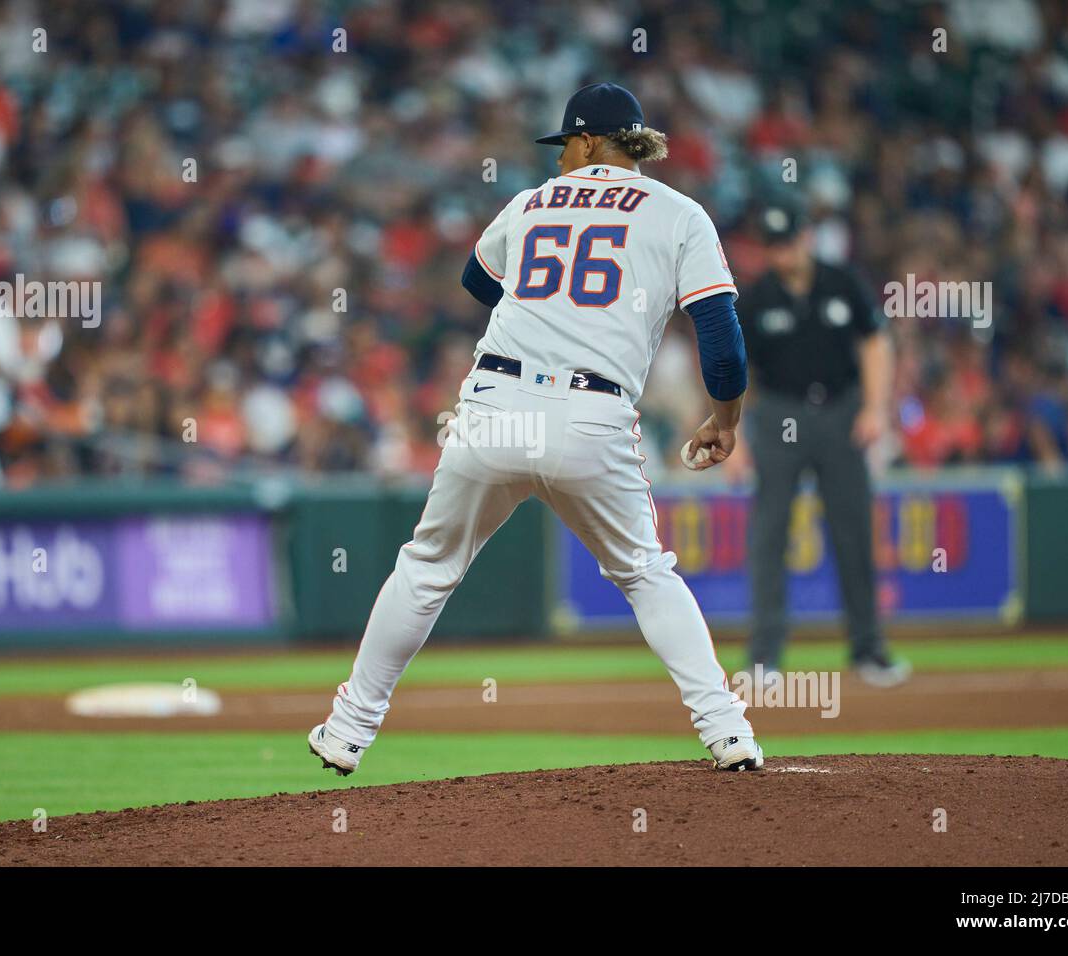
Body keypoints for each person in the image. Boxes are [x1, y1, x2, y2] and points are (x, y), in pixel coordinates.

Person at [309, 83, 764, 775]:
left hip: (496, 403)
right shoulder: (680, 214)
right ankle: (727, 731)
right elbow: (722, 339)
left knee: (428, 567)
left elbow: (475, 282)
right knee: (644, 574)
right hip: (593, 414)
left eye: (565, 147)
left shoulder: (528, 205)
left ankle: (347, 729)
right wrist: (725, 420)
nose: (560, 160)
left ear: (586, 142)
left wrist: (546, 287)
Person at [738, 204, 911, 687]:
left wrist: (876, 408)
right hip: (778, 414)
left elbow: (876, 343)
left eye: (788, 241)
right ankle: (765, 656)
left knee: (853, 531)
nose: (782, 252)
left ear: (806, 238)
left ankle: (869, 649)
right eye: (773, 245)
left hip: (841, 412)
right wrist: (733, 437)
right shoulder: (755, 298)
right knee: (769, 535)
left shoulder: (841, 282)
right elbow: (737, 372)